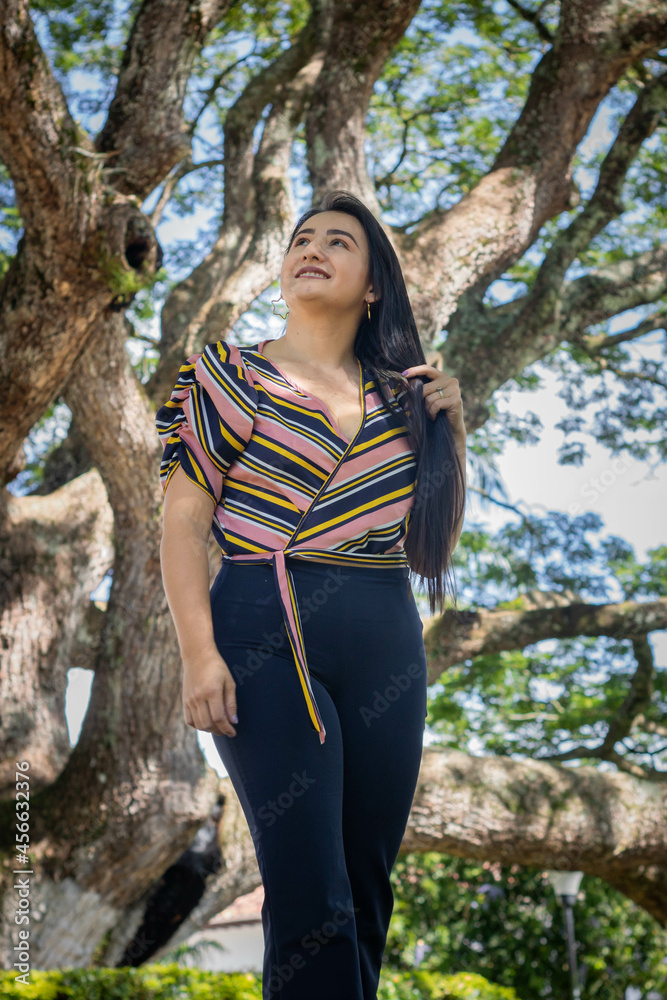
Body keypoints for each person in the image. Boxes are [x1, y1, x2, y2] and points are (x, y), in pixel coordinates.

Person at [156, 189, 467, 1000]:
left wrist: (450, 434)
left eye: (338, 241)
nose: (312, 248)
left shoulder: (408, 398)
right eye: (301, 238)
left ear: (372, 286)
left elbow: (428, 545)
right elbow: (185, 523)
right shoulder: (228, 373)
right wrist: (199, 653)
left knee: (366, 889)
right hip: (264, 620)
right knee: (312, 892)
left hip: (382, 629)